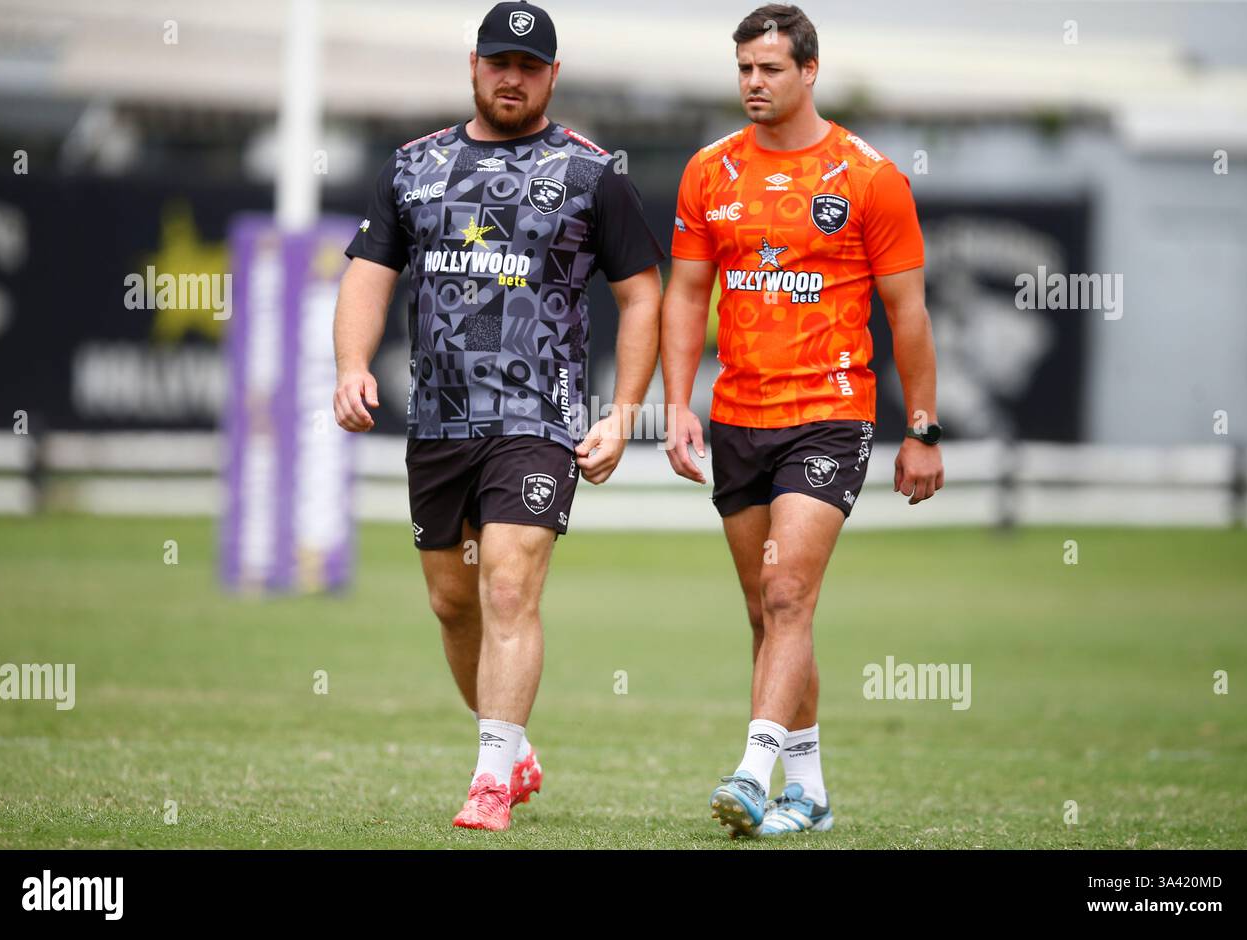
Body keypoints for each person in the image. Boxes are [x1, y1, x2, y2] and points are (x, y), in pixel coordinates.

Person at [333, 1, 665, 831]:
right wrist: (348, 368)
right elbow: (369, 272)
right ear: (473, 66)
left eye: (528, 65)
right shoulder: (414, 166)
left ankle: (487, 777)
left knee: (509, 583)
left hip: (538, 417)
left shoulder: (593, 172)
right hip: (439, 419)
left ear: (552, 75)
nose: (510, 76)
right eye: (497, 61)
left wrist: (624, 412)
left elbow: (641, 295)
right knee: (454, 603)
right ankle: (512, 747)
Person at [660, 3, 944, 837]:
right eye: (744, 68)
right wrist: (677, 404)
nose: (753, 82)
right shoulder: (709, 171)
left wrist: (922, 429)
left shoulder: (867, 176)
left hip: (829, 413)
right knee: (769, 611)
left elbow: (910, 313)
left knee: (788, 593)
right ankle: (810, 791)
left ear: (809, 71)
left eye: (770, 68)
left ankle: (752, 774)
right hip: (737, 417)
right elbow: (685, 291)